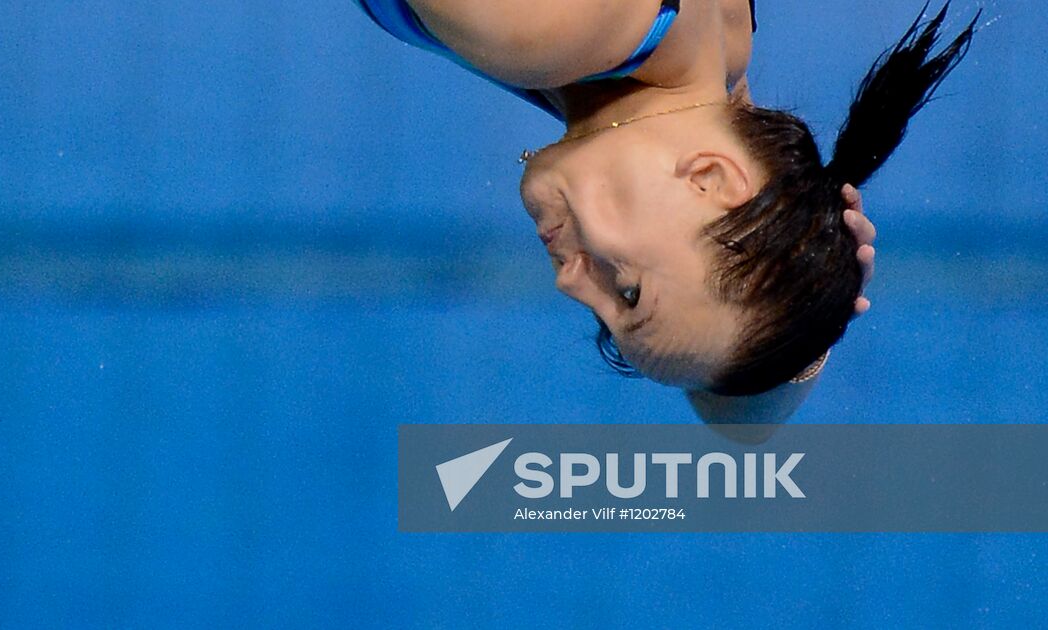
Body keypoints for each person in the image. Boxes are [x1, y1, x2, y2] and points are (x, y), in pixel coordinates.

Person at [356, 0, 977, 422]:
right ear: (709, 180)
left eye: (611, 325)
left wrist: (808, 312)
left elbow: (742, 422)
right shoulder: (535, 22)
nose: (569, 281)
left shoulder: (712, 49)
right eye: (627, 293)